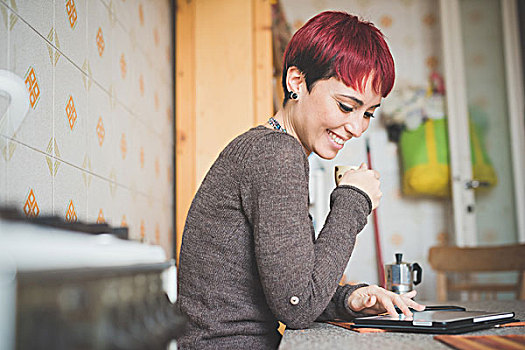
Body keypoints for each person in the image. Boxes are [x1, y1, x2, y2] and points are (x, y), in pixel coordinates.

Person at [176, 11, 425, 349]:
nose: (356, 127)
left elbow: (290, 288)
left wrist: (349, 300)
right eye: (345, 105)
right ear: (296, 81)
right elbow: (298, 305)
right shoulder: (276, 155)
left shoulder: (268, 148)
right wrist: (353, 200)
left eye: (368, 113)